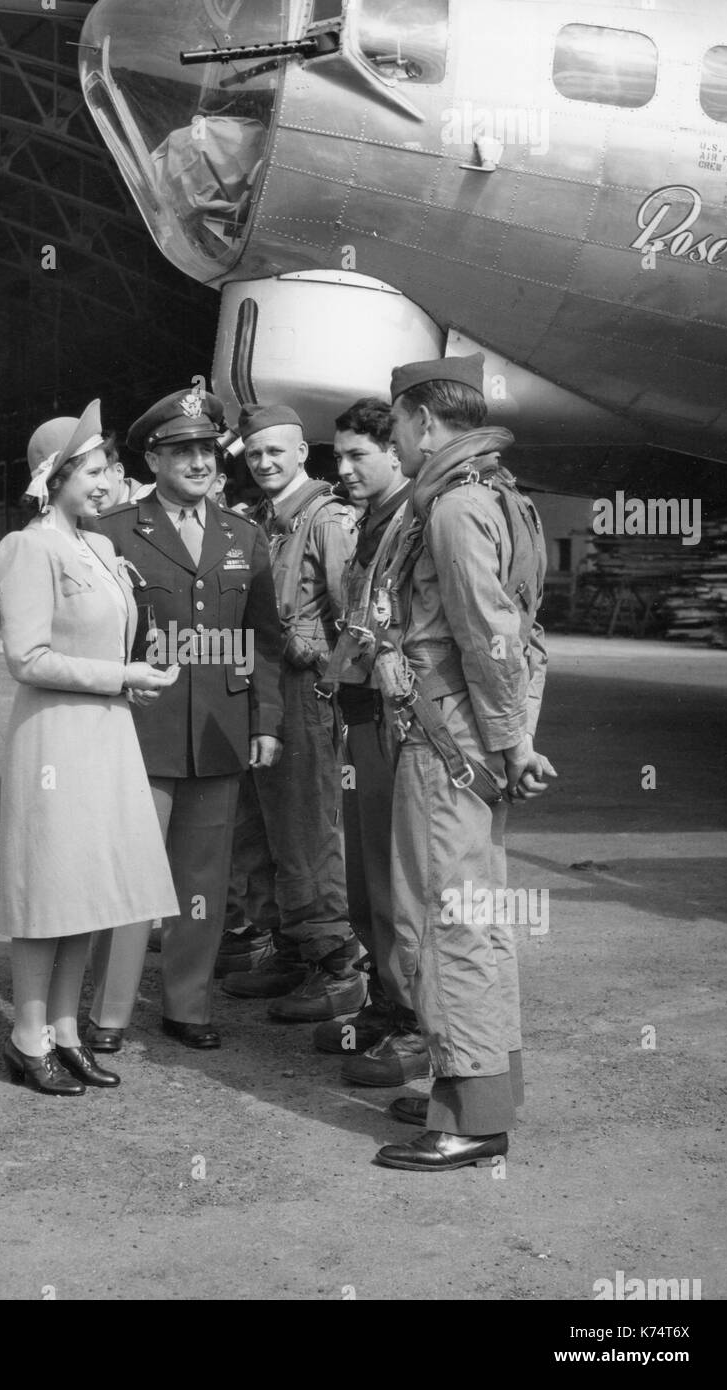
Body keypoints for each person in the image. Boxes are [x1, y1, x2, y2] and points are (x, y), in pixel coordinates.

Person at [370, 352, 556, 1173]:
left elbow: (489, 636)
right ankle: (477, 1088)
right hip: (474, 740)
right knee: (476, 917)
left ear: (421, 419)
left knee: (445, 925)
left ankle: (471, 1121)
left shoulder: (450, 509)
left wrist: (512, 739)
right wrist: (515, 739)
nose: (395, 438)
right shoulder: (501, 496)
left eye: (397, 423)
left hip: (447, 745)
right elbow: (524, 633)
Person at [88, 387, 284, 1051]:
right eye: (183, 450)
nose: (200, 461)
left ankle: (188, 1006)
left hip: (220, 733)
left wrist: (265, 721)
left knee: (204, 881)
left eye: (207, 448)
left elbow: (264, 638)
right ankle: (109, 1013)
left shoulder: (244, 536)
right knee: (130, 876)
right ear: (153, 457)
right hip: (141, 731)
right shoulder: (113, 532)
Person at [0, 400, 180, 1095]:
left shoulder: (99, 549)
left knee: (88, 889)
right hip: (56, 737)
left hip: (105, 730)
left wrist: (133, 680)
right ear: (56, 475)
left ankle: (65, 1031)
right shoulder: (27, 548)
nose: (107, 482)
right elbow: (26, 657)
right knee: (49, 889)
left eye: (111, 469)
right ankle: (26, 1036)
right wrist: (120, 677)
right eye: (94, 470)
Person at [220, 404, 362, 1022]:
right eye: (254, 454)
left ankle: (337, 964)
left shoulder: (328, 519)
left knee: (305, 826)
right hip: (260, 686)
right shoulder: (261, 520)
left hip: (304, 689)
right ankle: (288, 947)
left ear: (303, 452)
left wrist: (335, 686)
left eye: (276, 451)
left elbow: (356, 614)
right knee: (258, 827)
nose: (264, 462)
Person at [319, 399, 428, 1086]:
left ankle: (417, 1028)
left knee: (398, 886)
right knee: (365, 886)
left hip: (397, 721)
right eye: (340, 456)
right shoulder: (373, 524)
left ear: (396, 451)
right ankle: (385, 1007)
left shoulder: (416, 522)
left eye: (360, 454)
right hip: (362, 716)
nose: (347, 468)